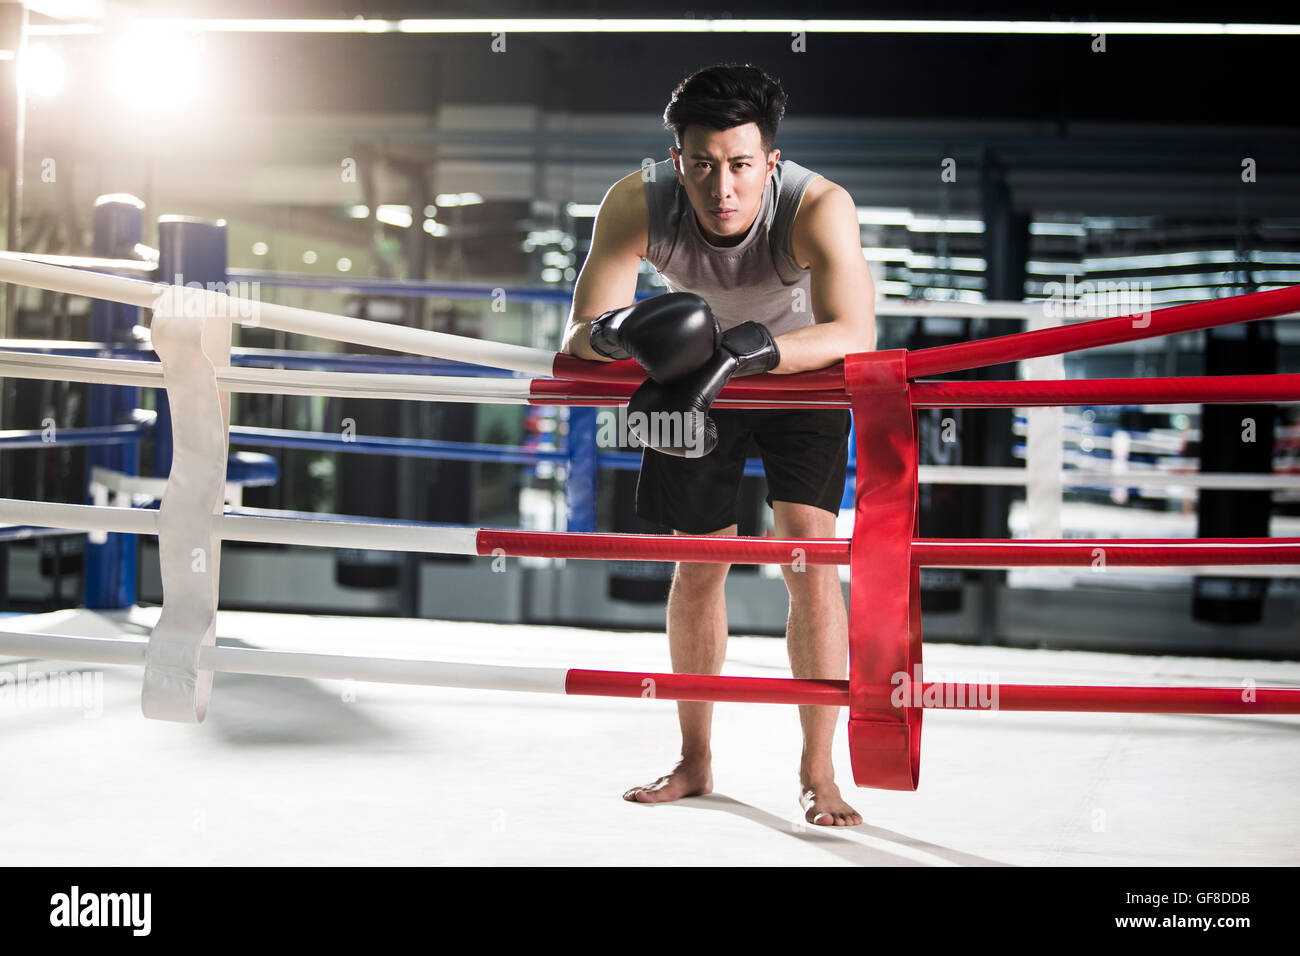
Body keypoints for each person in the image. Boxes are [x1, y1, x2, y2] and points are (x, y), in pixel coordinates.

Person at [561, 63, 875, 827]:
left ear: (770, 162)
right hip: (689, 379)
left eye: (740, 166)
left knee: (808, 559)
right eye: (702, 166)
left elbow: (854, 333)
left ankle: (818, 772)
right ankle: (695, 761)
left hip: (799, 373)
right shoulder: (637, 201)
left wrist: (747, 352)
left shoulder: (819, 204)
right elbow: (577, 339)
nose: (722, 188)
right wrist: (630, 332)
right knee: (700, 564)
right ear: (678, 162)